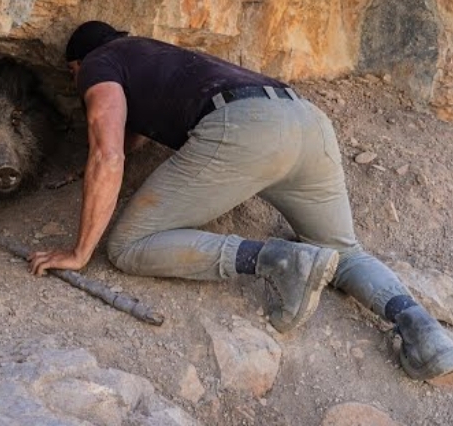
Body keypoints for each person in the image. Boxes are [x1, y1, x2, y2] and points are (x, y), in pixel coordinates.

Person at [28, 20, 453, 382]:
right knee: (344, 250)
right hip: (306, 121)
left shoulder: (97, 64)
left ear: (76, 65)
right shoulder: (151, 53)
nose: (75, 82)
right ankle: (425, 334)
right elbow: (130, 135)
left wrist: (80, 251)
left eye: (73, 74)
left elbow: (109, 152)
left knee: (127, 246)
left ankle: (279, 261)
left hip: (245, 131)